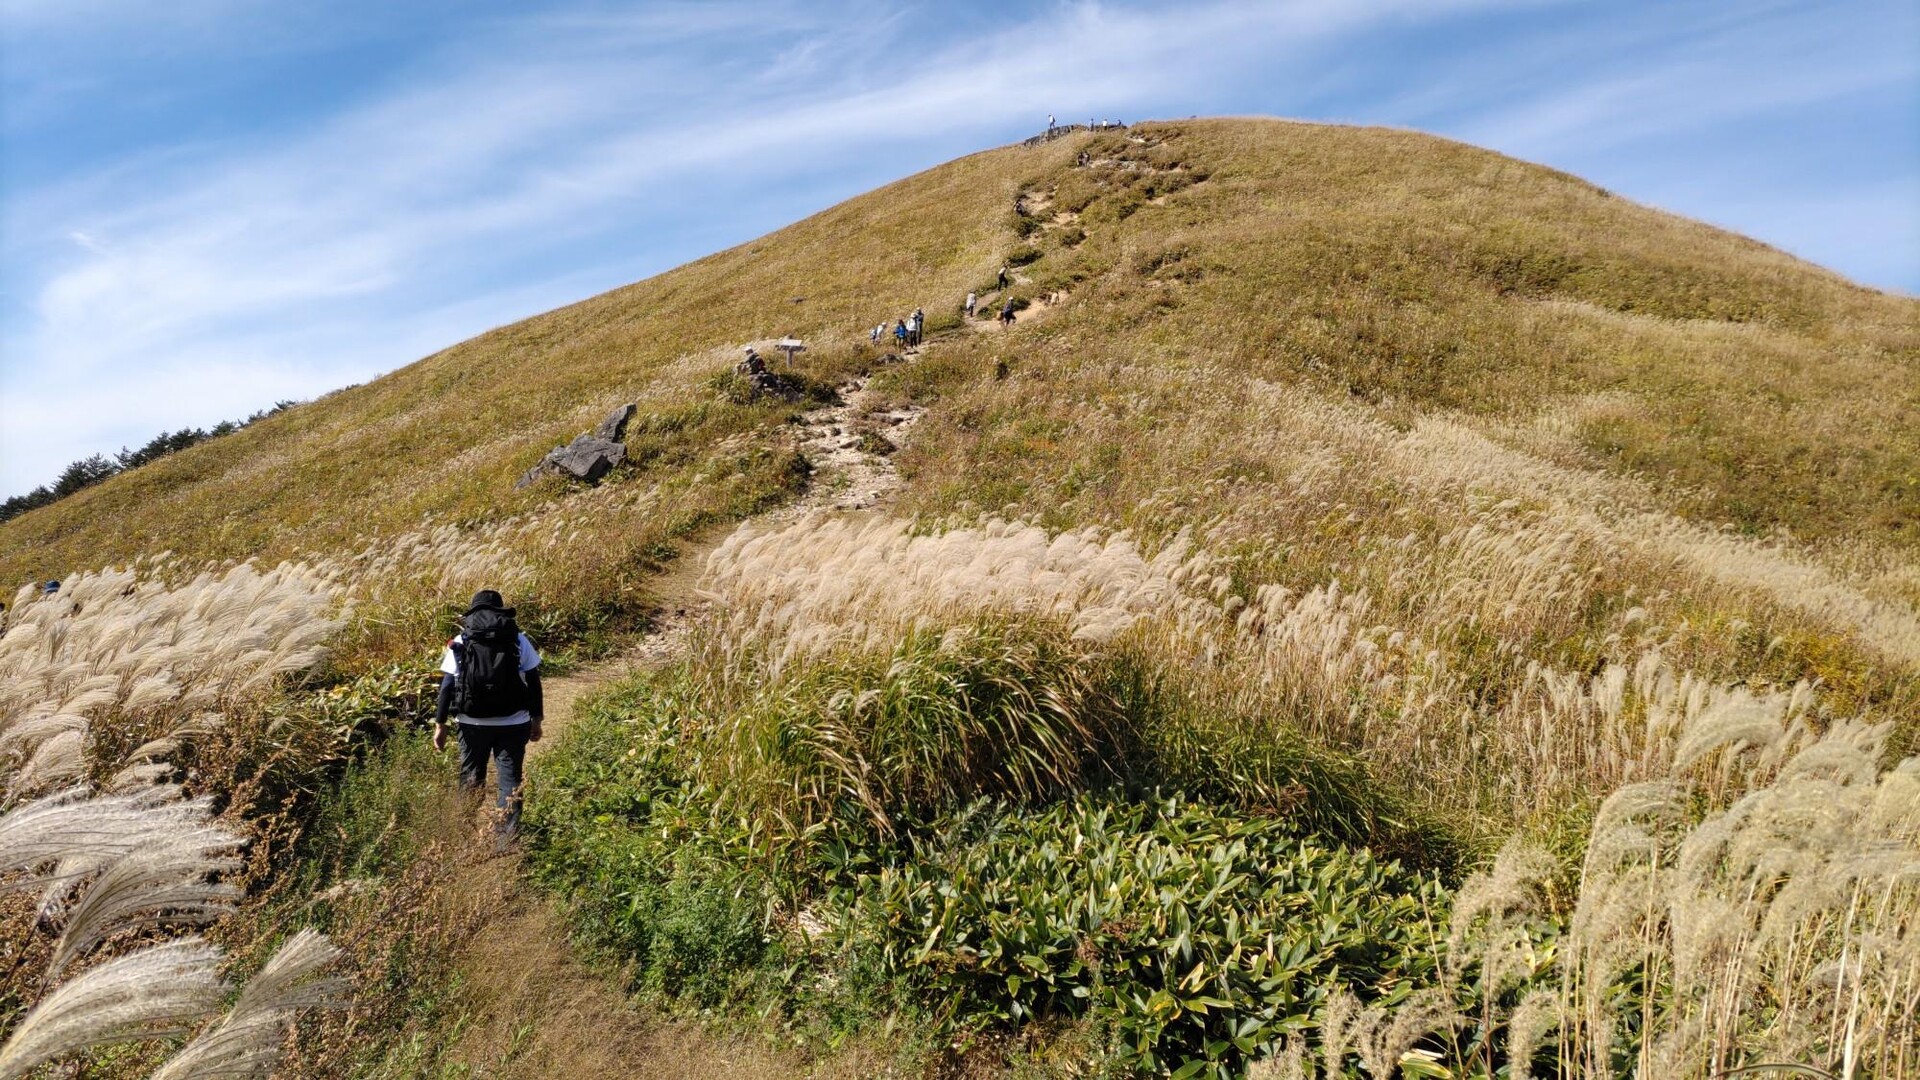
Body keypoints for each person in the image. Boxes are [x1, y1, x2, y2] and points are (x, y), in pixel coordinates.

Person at [434, 589, 543, 851]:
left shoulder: (462, 639)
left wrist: (440, 724)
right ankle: (505, 842)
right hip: (513, 722)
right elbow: (533, 681)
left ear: (473, 612)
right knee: (510, 781)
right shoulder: (517, 638)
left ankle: (462, 838)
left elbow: (447, 686)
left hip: (471, 723)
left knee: (471, 778)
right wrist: (537, 719)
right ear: (500, 611)